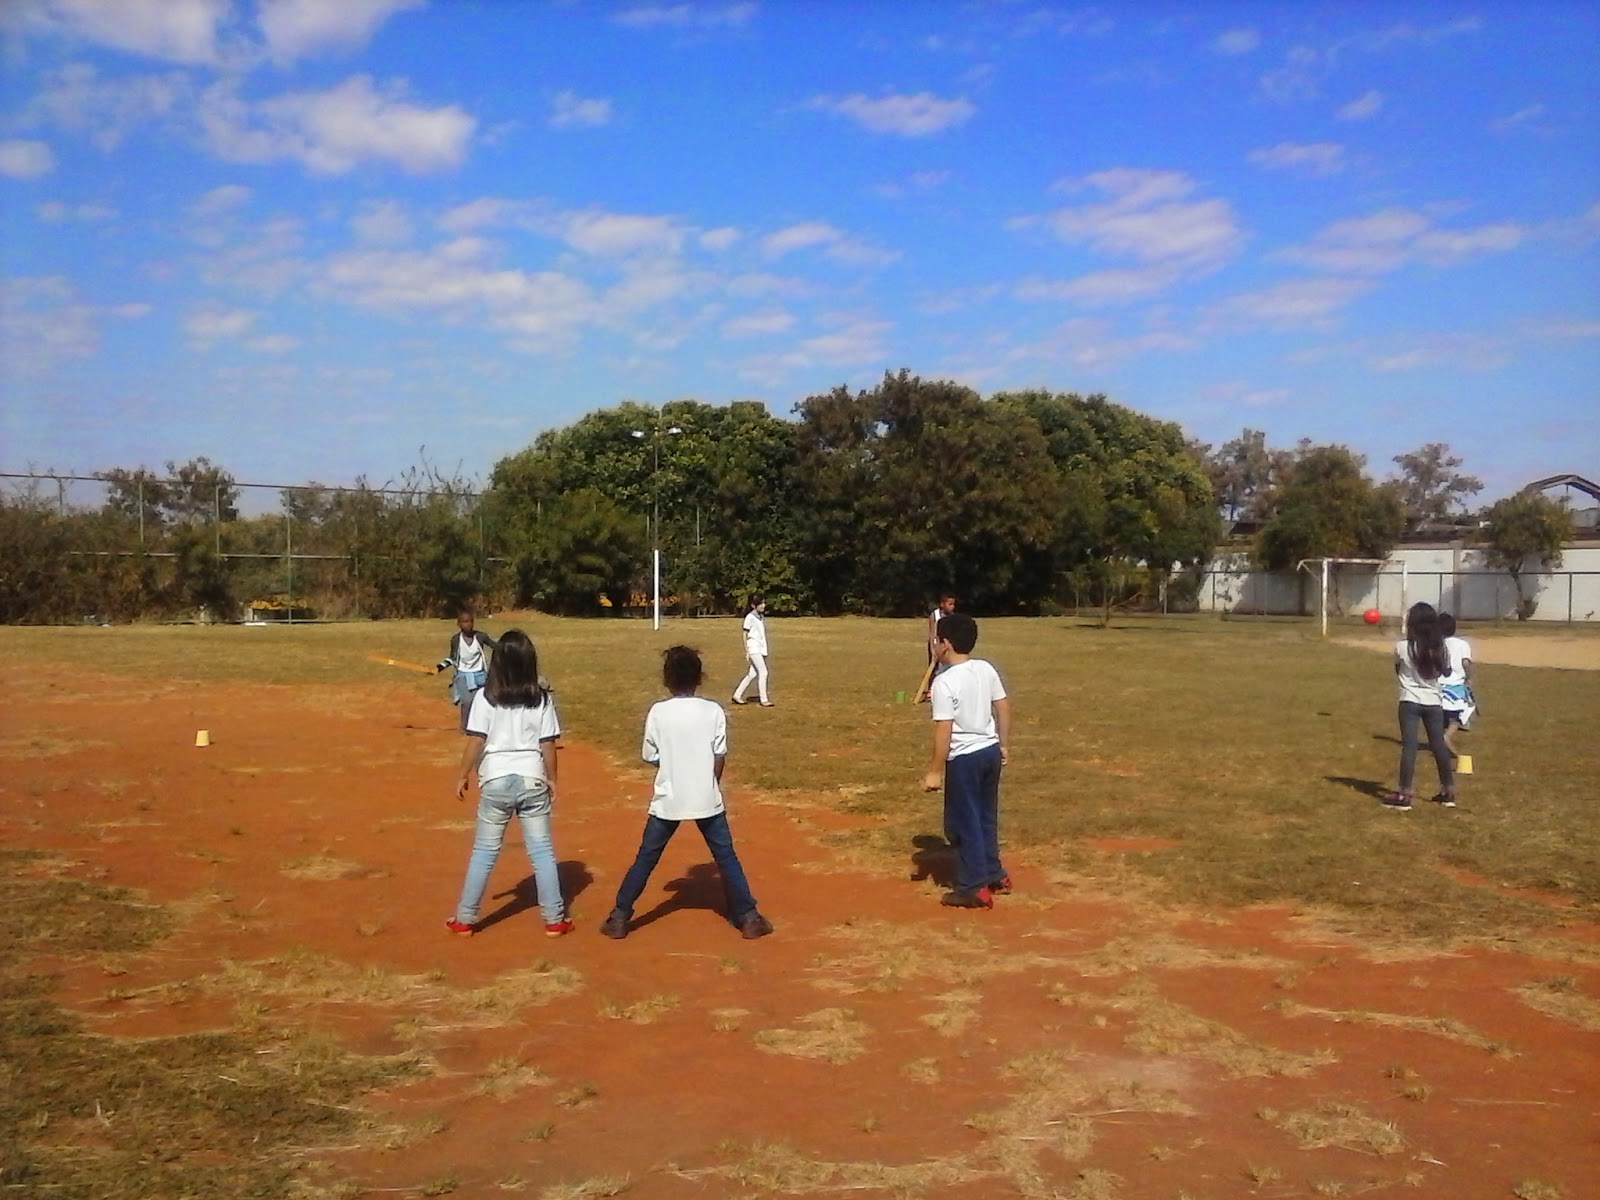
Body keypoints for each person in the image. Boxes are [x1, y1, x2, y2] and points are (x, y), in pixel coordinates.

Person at [602, 645, 774, 940]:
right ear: (699, 678)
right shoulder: (713, 711)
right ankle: (748, 917)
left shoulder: (658, 712)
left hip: (668, 799)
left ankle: (619, 917)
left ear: (667, 679)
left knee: (646, 857)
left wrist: (672, 759)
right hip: (707, 798)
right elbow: (719, 754)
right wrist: (711, 783)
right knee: (726, 857)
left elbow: (649, 755)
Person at [446, 629, 571, 937]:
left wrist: (463, 774)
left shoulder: (486, 699)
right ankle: (554, 919)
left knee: (484, 852)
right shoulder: (541, 699)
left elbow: (476, 741)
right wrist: (553, 779)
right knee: (541, 851)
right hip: (532, 780)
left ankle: (465, 918)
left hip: (496, 781)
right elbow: (548, 743)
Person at [921, 612, 1012, 908]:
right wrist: (1004, 744)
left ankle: (973, 887)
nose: (935, 645)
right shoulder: (985, 668)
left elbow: (944, 729)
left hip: (964, 759)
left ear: (944, 644)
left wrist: (935, 770)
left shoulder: (944, 683)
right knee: (986, 816)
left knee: (962, 822)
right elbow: (1003, 706)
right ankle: (993, 872)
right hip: (989, 751)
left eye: (937, 640)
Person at [1385, 602, 1456, 811]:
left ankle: (1404, 794)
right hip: (1434, 702)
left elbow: (1398, 670)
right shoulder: (1439, 647)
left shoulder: (1402, 647)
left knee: (1410, 746)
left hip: (1409, 700)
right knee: (1438, 746)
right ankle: (1448, 792)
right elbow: (1447, 672)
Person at [436, 609, 497, 732]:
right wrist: (440, 667)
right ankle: (465, 727)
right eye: (464, 622)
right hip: (463, 675)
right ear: (459, 624)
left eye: (470, 621)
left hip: (480, 674)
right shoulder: (456, 640)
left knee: (482, 701)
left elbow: (495, 646)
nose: (468, 624)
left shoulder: (480, 637)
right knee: (467, 701)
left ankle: (483, 726)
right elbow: (453, 657)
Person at [1438, 611, 1476, 756]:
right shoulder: (1462, 644)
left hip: (1438, 685)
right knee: (1461, 715)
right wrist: (1469, 678)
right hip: (1456, 686)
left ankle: (1440, 737)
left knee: (1441, 714)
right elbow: (1465, 662)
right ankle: (1446, 736)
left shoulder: (1436, 644)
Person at [731, 593, 772, 707]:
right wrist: (747, 651)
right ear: (754, 605)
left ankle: (737, 695)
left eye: (764, 602)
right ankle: (764, 700)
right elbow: (745, 634)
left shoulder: (760, 617)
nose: (764, 605)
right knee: (763, 672)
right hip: (754, 648)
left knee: (752, 674)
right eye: (761, 603)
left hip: (760, 647)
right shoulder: (750, 617)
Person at [917, 593, 958, 702]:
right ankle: (930, 691)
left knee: (948, 668)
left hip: (947, 645)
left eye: (953, 604)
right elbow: (932, 633)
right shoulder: (935, 615)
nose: (952, 607)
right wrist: (933, 649)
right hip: (935, 644)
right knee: (934, 669)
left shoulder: (952, 617)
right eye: (950, 604)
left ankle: (948, 690)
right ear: (942, 604)